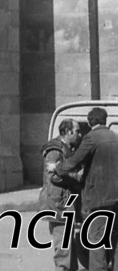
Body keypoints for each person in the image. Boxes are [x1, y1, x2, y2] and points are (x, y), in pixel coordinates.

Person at [53, 107, 118, 271]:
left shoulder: (91, 138)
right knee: (115, 236)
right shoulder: (115, 137)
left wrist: (58, 168)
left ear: (90, 122)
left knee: (96, 238)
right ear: (104, 119)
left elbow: (74, 160)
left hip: (98, 198)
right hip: (116, 196)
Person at [41, 118, 83, 270]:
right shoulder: (54, 150)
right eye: (77, 132)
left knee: (69, 250)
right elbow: (53, 175)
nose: (80, 135)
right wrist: (75, 176)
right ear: (67, 132)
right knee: (63, 252)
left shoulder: (67, 148)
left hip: (65, 204)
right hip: (59, 205)